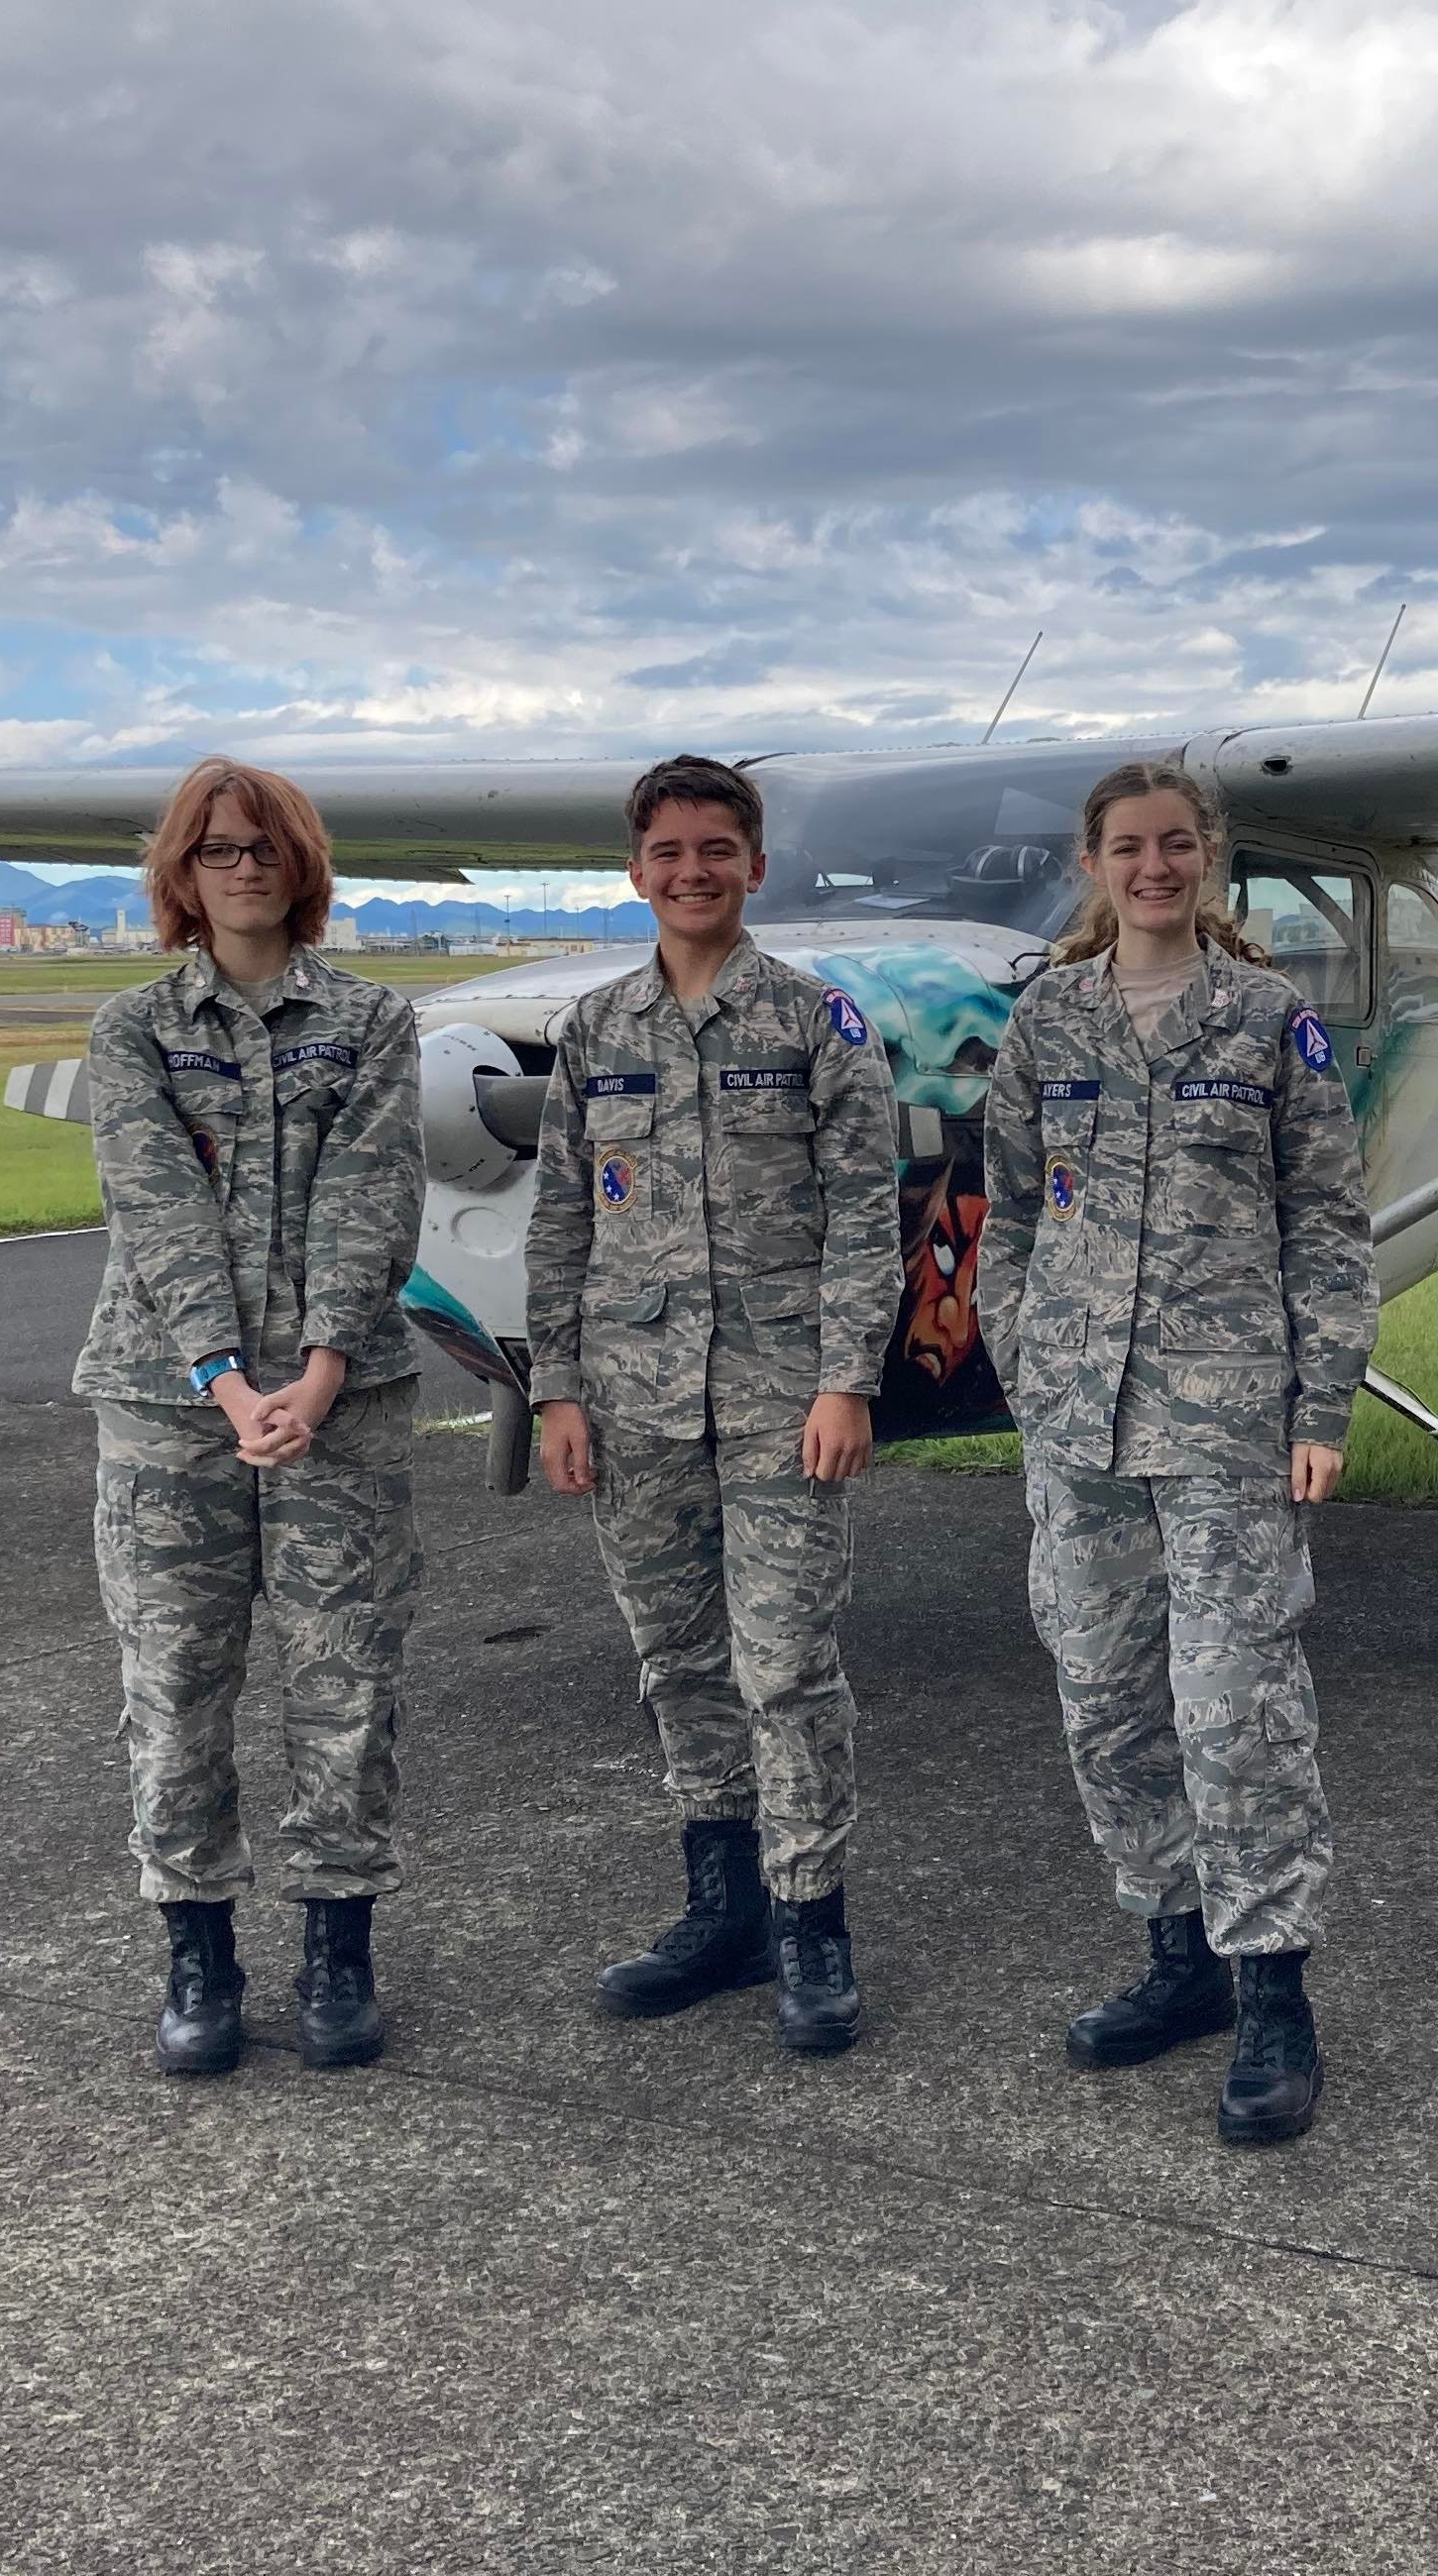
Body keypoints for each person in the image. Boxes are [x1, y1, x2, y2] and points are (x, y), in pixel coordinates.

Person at [978, 759, 1375, 2145]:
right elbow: (1012, 1215)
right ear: (1092, 864)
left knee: (1236, 1709)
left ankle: (1273, 1991)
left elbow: (1326, 1222)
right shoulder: (1047, 1024)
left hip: (1225, 1424)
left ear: (1209, 860)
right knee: (1106, 1699)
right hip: (1079, 1425)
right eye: (1128, 848)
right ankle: (1176, 1954)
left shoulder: (1270, 1022)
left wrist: (1321, 1406)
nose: (1154, 867)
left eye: (1176, 845)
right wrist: (1023, 1363)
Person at [526, 755, 899, 2056]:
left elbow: (867, 1219)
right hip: (633, 1404)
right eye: (668, 852)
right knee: (680, 1669)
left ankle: (811, 1929)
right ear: (636, 872)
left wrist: (850, 1379)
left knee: (786, 1670)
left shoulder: (815, 1026)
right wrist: (556, 1389)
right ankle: (721, 1912)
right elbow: (563, 1223)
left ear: (756, 866)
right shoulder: (593, 1031)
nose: (692, 871)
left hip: (782, 1398)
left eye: (716, 850)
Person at [75, 756, 430, 2079]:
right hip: (170, 1413)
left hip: (343, 1403)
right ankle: (199, 1952)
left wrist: (322, 1367)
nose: (243, 868)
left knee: (346, 1687)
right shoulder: (132, 1029)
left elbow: (372, 1197)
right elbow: (155, 1210)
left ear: (303, 868)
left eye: (264, 848)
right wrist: (225, 1380)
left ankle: (340, 1947)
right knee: (175, 1690)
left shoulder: (372, 1020)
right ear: (180, 873)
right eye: (217, 850)